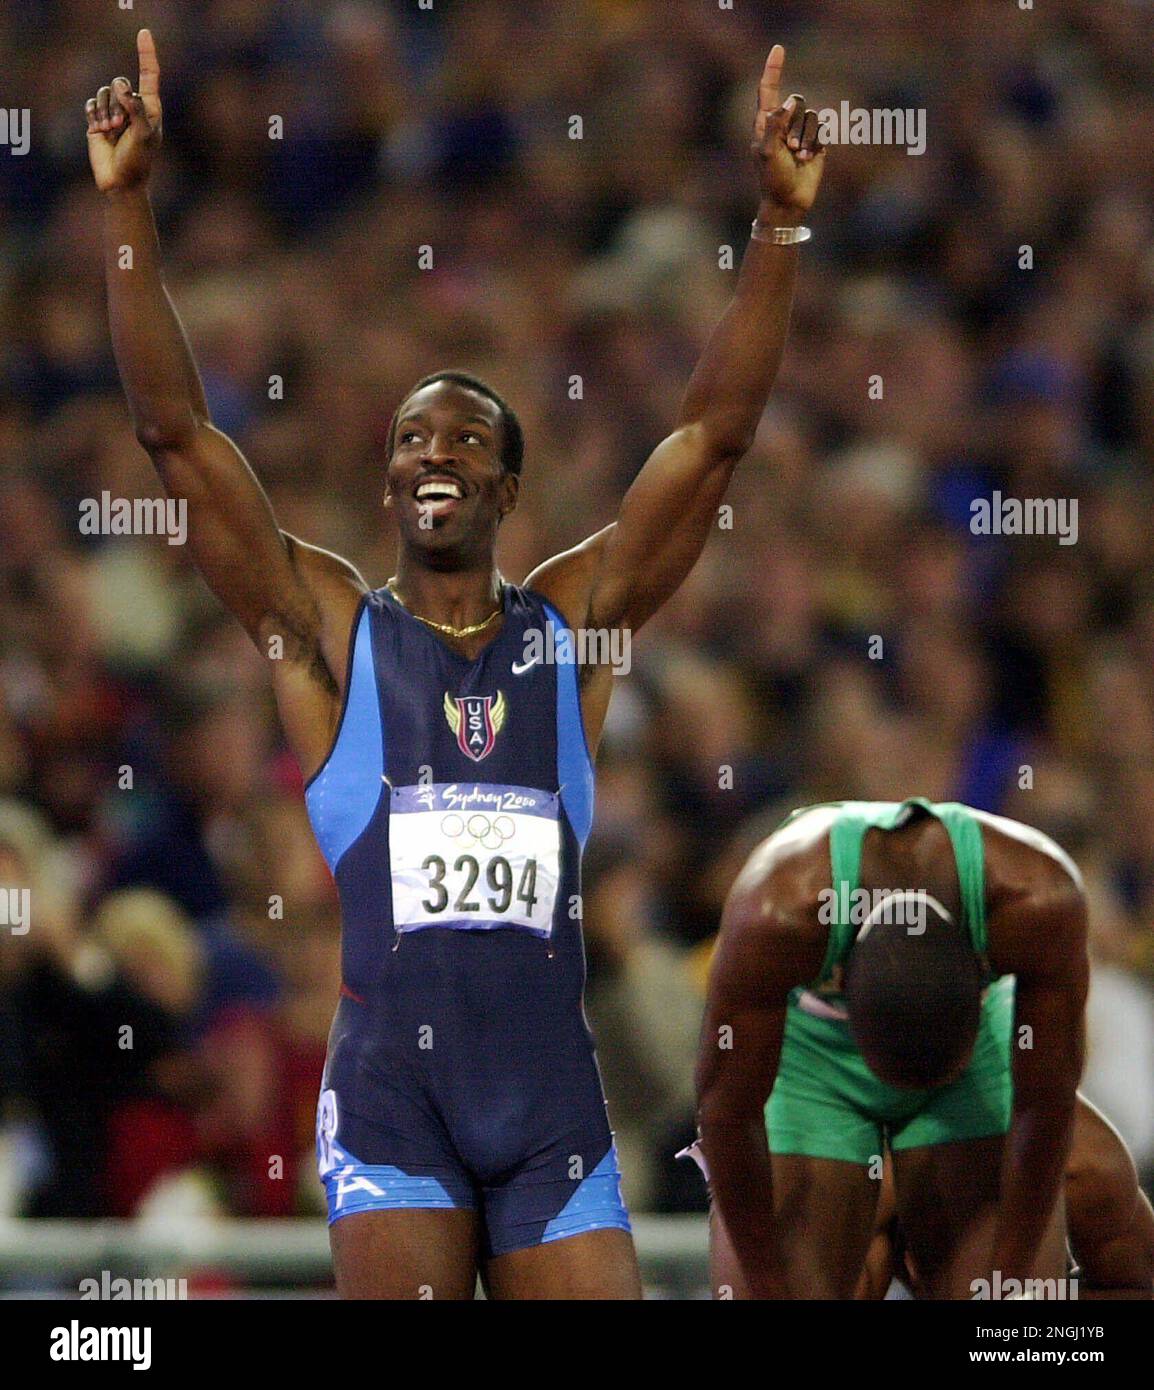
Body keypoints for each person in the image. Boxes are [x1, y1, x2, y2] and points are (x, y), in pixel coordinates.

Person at [86, 30, 825, 1298]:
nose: (435, 450)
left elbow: (711, 440)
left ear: (507, 483)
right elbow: (175, 434)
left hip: (551, 1112)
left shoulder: (570, 629)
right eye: (413, 434)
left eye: (466, 437)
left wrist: (774, 224)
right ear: (387, 479)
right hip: (393, 1108)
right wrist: (128, 209)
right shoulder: (323, 630)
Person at [695, 798, 1089, 1298]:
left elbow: (1046, 1105)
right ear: (836, 977)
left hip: (971, 1058)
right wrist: (767, 1284)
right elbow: (727, 1113)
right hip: (814, 1054)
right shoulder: (776, 911)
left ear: (983, 968)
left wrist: (1010, 1279)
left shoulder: (1037, 899)